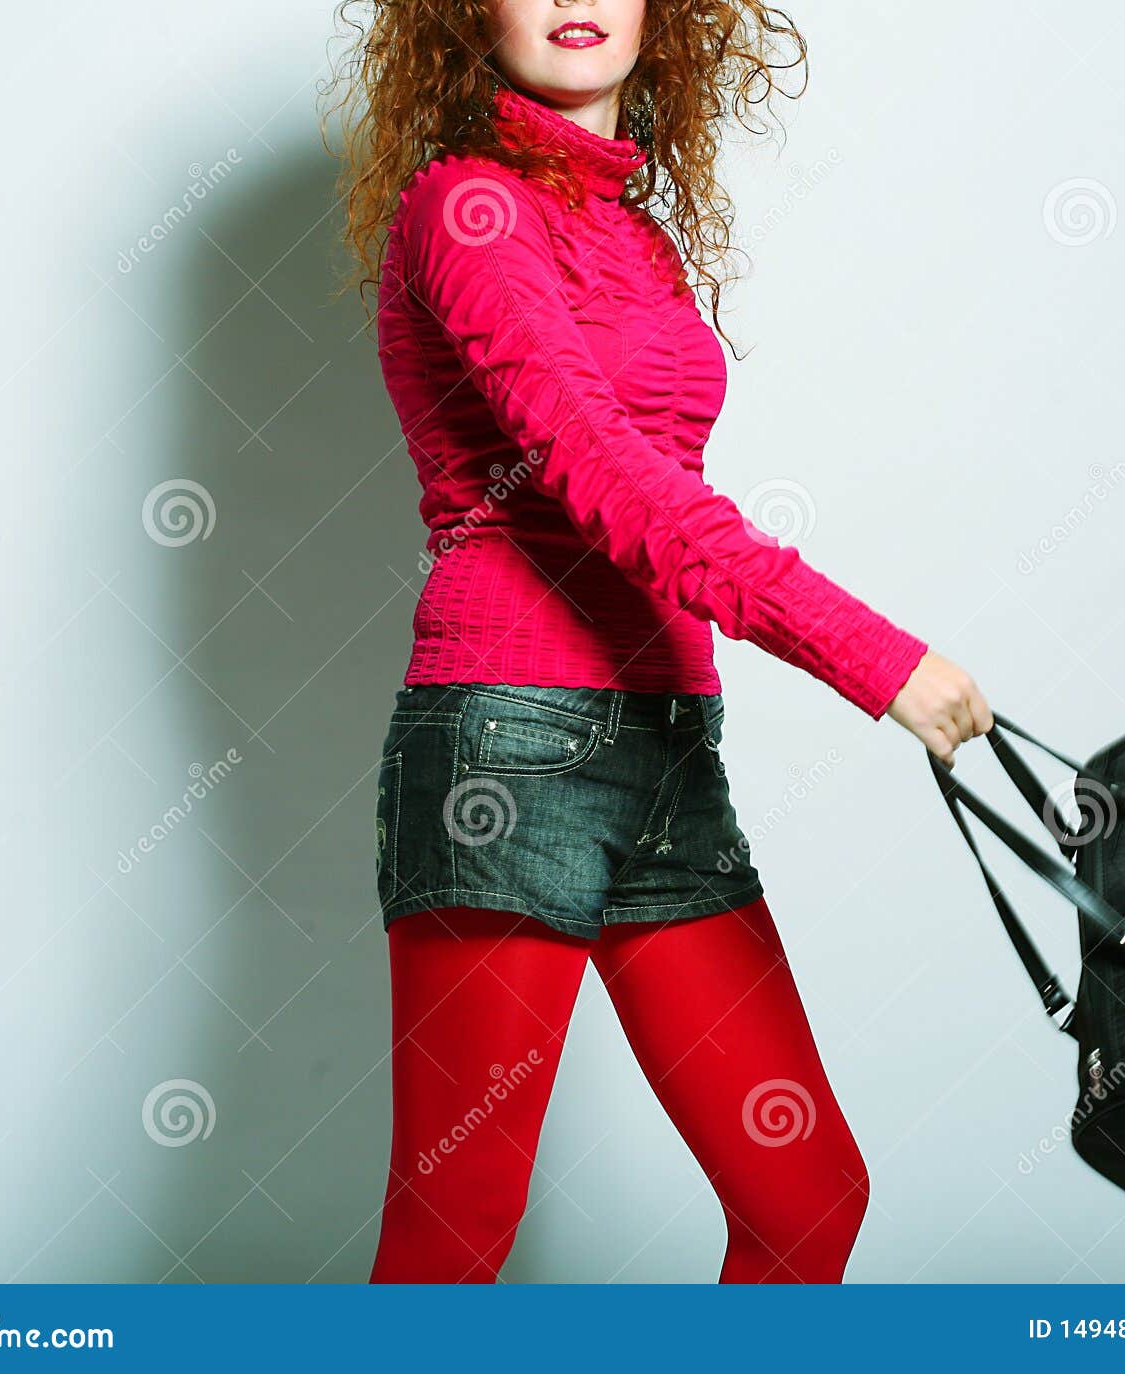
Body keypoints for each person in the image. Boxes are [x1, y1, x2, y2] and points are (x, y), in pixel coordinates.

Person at [324, 0, 992, 1283]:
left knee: (806, 1200)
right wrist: (876, 658)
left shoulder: (626, 227)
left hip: (665, 741)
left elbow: (667, 489)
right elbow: (614, 484)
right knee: (456, 1228)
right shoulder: (468, 209)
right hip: (507, 752)